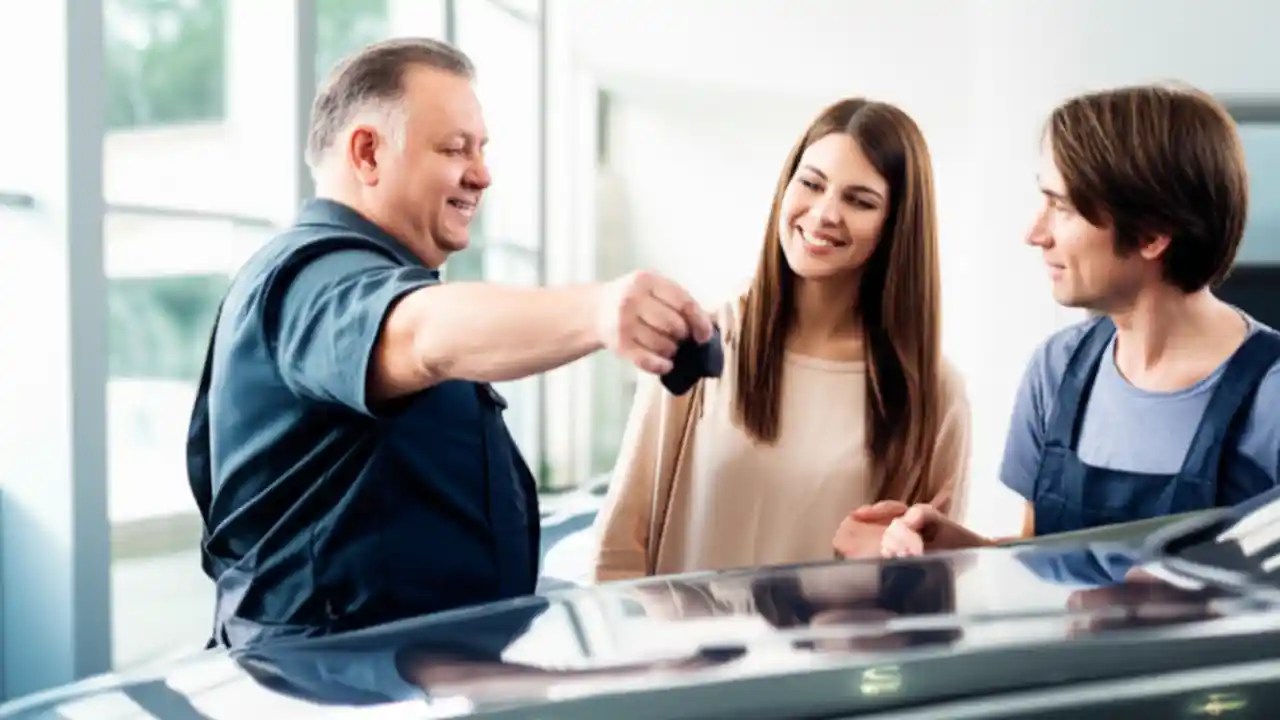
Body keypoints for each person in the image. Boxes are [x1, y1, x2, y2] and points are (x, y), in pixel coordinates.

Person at [186, 37, 714, 648]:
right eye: (455, 148)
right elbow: (422, 335)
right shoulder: (311, 277)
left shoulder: (380, 276)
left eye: (482, 149)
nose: (482, 173)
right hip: (332, 690)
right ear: (367, 152)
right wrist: (599, 312)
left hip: (411, 675)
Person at [854, 84, 1280, 559]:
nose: (1035, 234)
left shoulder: (1271, 395)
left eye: (1062, 207)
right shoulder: (1057, 370)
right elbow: (1045, 560)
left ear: (1153, 234)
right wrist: (955, 549)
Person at [591, 97, 972, 581]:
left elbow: (938, 581)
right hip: (682, 655)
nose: (824, 213)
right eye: (811, 184)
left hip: (833, 658)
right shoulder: (702, 343)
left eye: (859, 200)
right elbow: (622, 540)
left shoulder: (933, 391)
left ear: (897, 225)